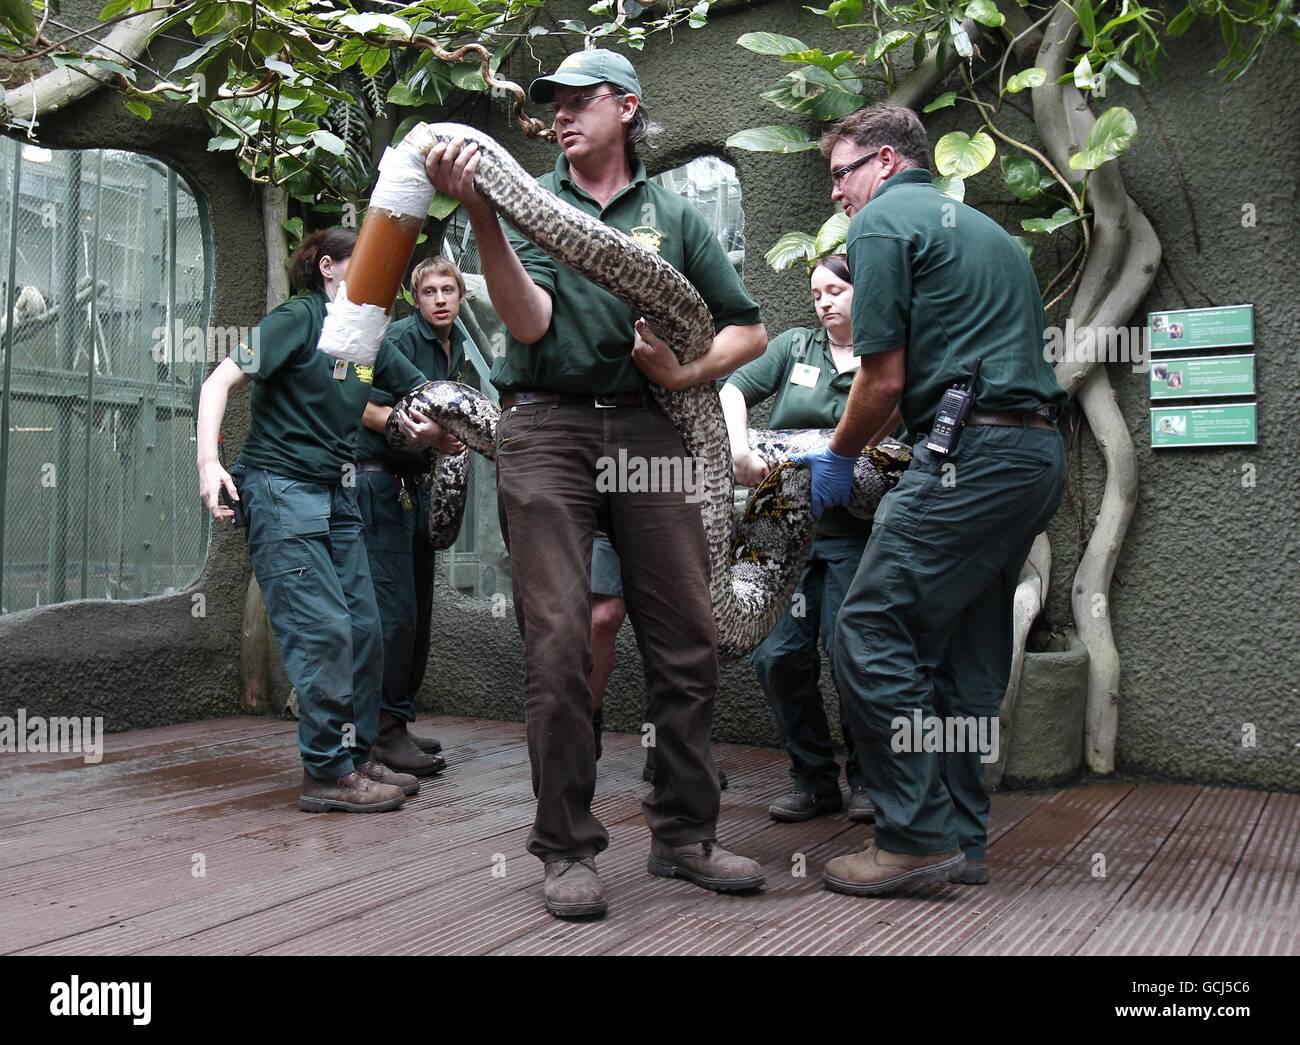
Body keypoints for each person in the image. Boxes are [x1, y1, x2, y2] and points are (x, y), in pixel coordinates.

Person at [425, 48, 769, 920]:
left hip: (653, 425)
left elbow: (747, 331)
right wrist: (485, 215)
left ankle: (684, 834)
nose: (562, 114)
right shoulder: (533, 201)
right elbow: (529, 321)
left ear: (628, 107)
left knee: (688, 637)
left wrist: (688, 373)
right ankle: (566, 846)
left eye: (581, 100)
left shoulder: (675, 216)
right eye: (554, 103)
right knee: (558, 643)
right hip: (548, 426)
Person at [795, 106, 1067, 895]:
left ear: (884, 161)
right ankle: (962, 840)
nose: (836, 194)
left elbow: (882, 378)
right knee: (966, 651)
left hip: (969, 456)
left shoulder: (881, 223)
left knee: (870, 627)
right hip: (1033, 453)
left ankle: (913, 837)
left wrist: (837, 456)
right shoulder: (987, 234)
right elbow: (933, 371)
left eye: (841, 174)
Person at [196, 228, 437, 814]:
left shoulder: (368, 336)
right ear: (328, 267)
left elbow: (426, 394)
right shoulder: (300, 319)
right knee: (323, 631)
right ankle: (327, 773)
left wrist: (439, 426)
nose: (382, 275)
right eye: (368, 262)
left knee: (366, 629)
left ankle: (355, 756)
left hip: (338, 493)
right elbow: (218, 381)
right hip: (280, 489)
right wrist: (208, 463)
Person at [722, 254, 900, 824]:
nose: (824, 302)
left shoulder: (888, 355)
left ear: (864, 292)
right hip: (781, 539)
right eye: (817, 293)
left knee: (854, 657)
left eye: (836, 291)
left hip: (855, 537)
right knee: (777, 657)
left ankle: (869, 780)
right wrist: (740, 449)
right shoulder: (795, 346)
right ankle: (813, 780)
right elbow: (733, 390)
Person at [356, 257, 471, 776]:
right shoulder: (399, 338)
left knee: (419, 612)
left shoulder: (458, 345)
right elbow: (360, 403)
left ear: (462, 296)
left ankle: (398, 718)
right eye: (429, 291)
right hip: (379, 480)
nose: (440, 299)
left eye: (448, 289)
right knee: (395, 613)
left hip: (417, 485)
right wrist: (419, 432)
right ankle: (381, 732)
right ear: (415, 299)